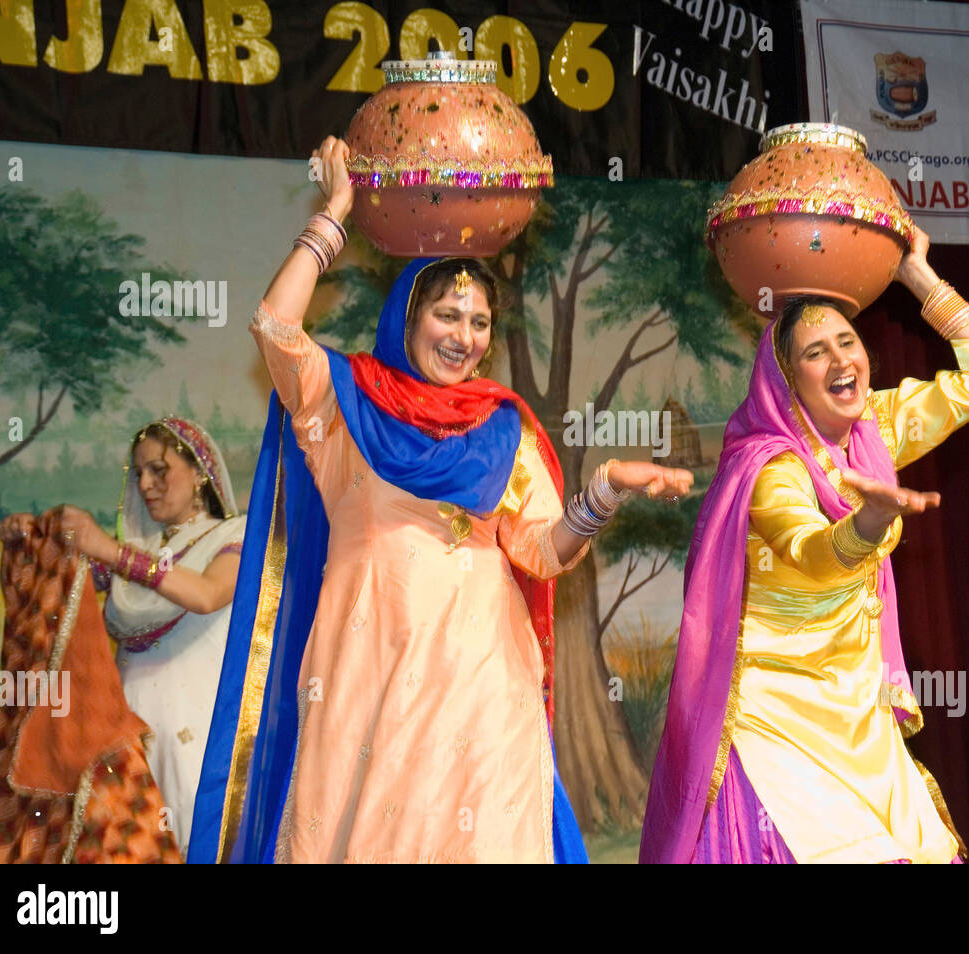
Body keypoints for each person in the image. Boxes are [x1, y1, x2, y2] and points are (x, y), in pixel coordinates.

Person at [190, 135, 692, 864]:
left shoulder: (502, 427)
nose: (463, 337)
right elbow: (275, 326)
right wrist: (334, 216)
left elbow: (539, 551)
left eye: (479, 322)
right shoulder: (345, 398)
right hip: (369, 659)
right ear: (407, 316)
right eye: (447, 316)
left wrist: (605, 492)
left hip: (485, 668)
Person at [641, 225, 969, 863]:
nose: (842, 360)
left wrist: (918, 278)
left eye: (848, 340)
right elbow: (813, 551)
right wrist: (869, 520)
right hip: (779, 727)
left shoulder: (874, 429)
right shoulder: (770, 469)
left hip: (858, 715)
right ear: (787, 380)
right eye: (816, 352)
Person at [55, 417, 245, 859]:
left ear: (199, 471)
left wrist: (112, 551)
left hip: (198, 741)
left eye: (159, 469)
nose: (145, 483)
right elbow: (61, 592)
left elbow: (206, 594)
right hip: (128, 741)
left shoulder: (234, 535)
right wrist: (31, 536)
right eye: (138, 472)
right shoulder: (131, 558)